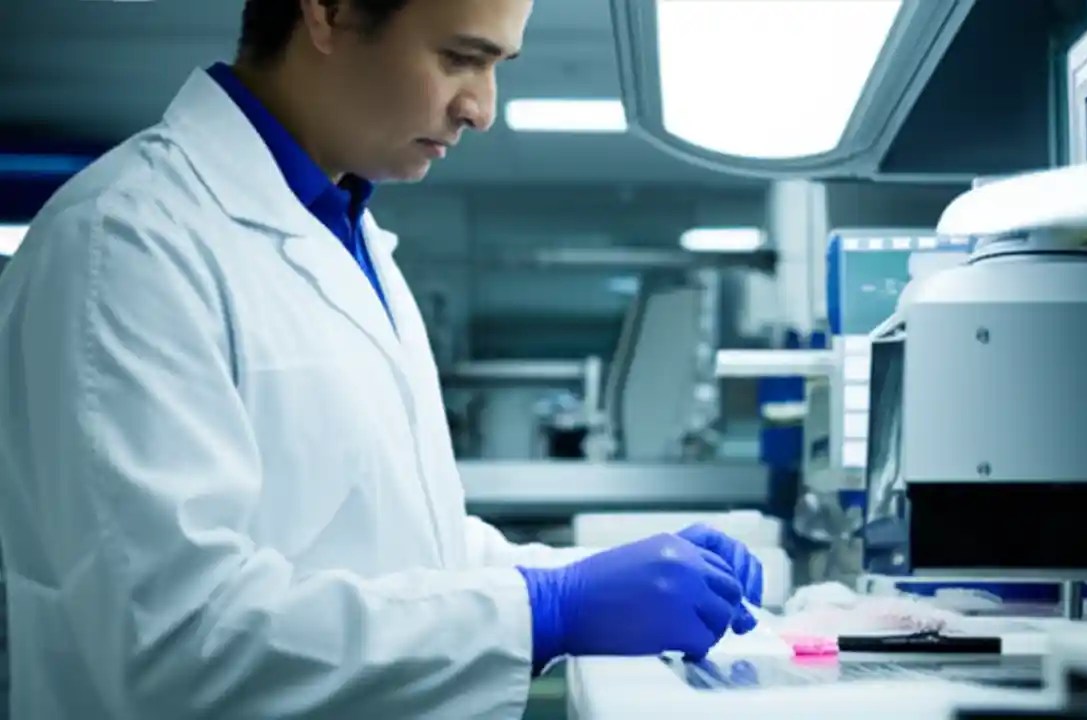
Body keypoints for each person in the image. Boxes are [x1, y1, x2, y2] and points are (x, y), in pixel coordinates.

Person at [0, 1, 764, 718]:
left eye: (498, 66)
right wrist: (546, 609)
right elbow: (174, 638)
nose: (482, 108)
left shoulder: (345, 235)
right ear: (329, 11)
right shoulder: (127, 242)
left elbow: (395, 540)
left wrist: (603, 570)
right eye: (461, 57)